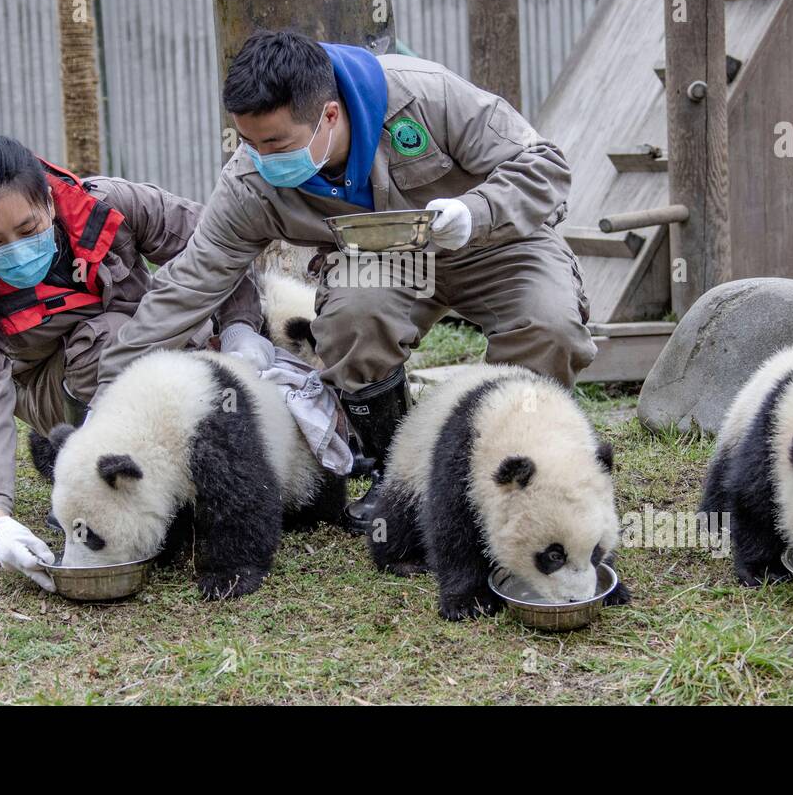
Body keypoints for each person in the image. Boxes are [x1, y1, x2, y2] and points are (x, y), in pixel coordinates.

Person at [94, 30, 597, 535]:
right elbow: (190, 282)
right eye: (248, 142)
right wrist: (107, 392)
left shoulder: (424, 95)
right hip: (383, 262)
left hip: (499, 242)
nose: (261, 157)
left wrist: (475, 212)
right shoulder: (250, 183)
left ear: (329, 116)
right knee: (353, 316)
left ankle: (517, 468)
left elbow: (544, 167)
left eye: (274, 143)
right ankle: (397, 471)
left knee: (549, 325)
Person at [0, 136, 265, 590]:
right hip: (63, 388)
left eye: (28, 228)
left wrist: (239, 326)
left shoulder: (109, 208)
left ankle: (173, 486)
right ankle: (106, 483)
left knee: (129, 342)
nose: (14, 248)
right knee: (106, 342)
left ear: (50, 202)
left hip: (156, 355)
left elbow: (214, 242)